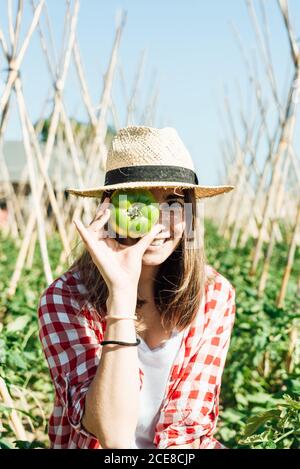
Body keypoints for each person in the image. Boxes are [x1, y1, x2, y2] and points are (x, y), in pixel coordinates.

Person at [38, 125, 236, 449]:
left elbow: (185, 436)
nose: (158, 221)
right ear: (109, 209)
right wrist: (121, 293)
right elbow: (111, 434)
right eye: (138, 202)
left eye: (173, 200)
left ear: (189, 213)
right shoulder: (65, 300)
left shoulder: (214, 296)